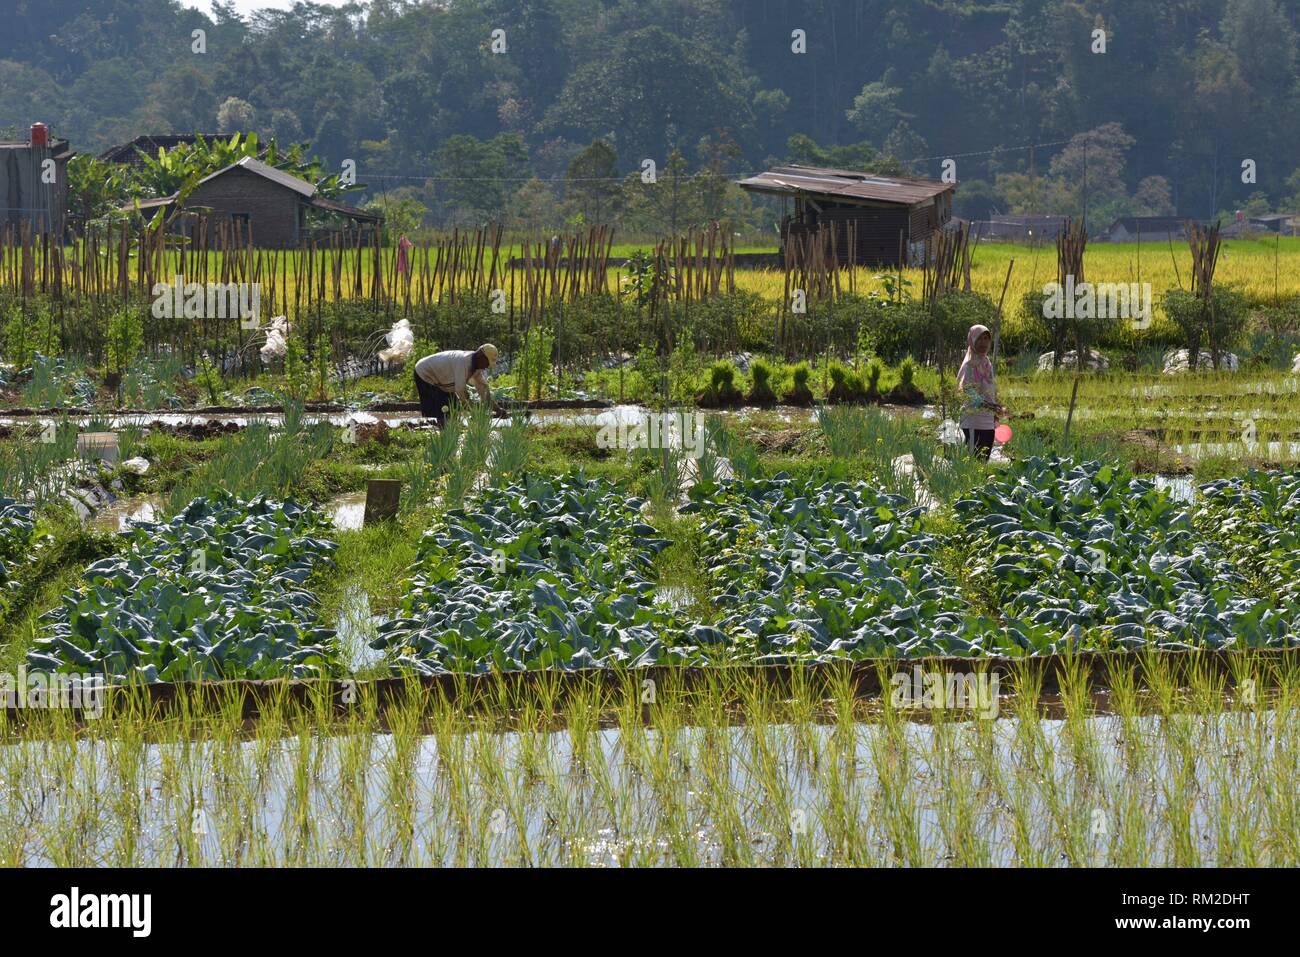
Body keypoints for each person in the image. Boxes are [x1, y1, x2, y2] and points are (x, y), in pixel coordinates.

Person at [413, 344, 498, 427]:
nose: (486, 367)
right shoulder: (463, 361)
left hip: (440, 378)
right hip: (425, 373)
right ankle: (445, 435)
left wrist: (497, 409)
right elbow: (460, 390)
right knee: (444, 406)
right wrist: (472, 408)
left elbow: (483, 389)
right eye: (487, 363)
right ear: (481, 356)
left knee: (453, 406)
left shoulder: (476, 366)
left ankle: (450, 433)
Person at [957, 324, 1005, 458]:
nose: (983, 342)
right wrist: (990, 406)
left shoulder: (986, 363)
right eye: (979, 339)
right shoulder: (970, 365)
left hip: (988, 421)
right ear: (972, 340)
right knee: (972, 461)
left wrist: (995, 409)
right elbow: (969, 391)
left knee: (983, 461)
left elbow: (990, 390)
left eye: (986, 339)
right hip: (973, 419)